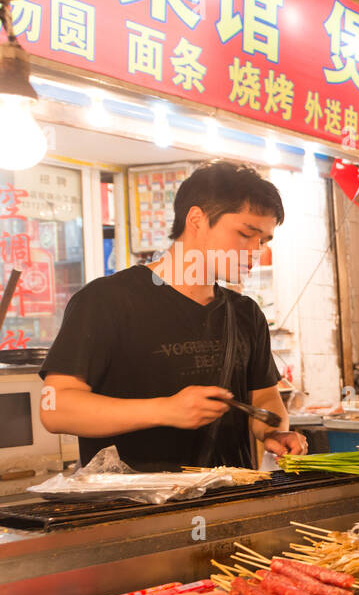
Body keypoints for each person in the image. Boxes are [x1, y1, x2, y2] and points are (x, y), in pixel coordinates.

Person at [40, 161, 307, 471]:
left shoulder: (245, 313)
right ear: (197, 219)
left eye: (263, 241)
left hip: (231, 502)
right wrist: (165, 410)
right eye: (246, 234)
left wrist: (274, 431)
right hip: (134, 510)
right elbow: (55, 408)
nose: (256, 251)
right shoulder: (105, 301)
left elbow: (264, 399)